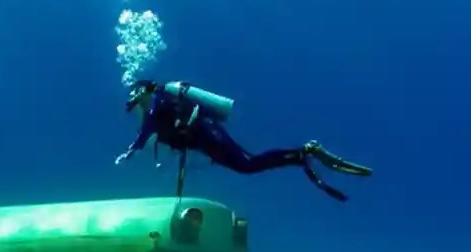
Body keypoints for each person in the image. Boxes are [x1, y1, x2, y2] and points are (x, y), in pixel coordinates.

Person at [115, 79, 372, 202]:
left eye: (137, 93)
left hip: (206, 133)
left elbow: (148, 126)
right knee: (248, 165)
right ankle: (301, 154)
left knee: (248, 164)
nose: (135, 100)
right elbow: (153, 132)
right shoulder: (156, 109)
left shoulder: (159, 98)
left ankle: (304, 152)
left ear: (145, 90)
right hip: (205, 140)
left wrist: (132, 150)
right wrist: (137, 148)